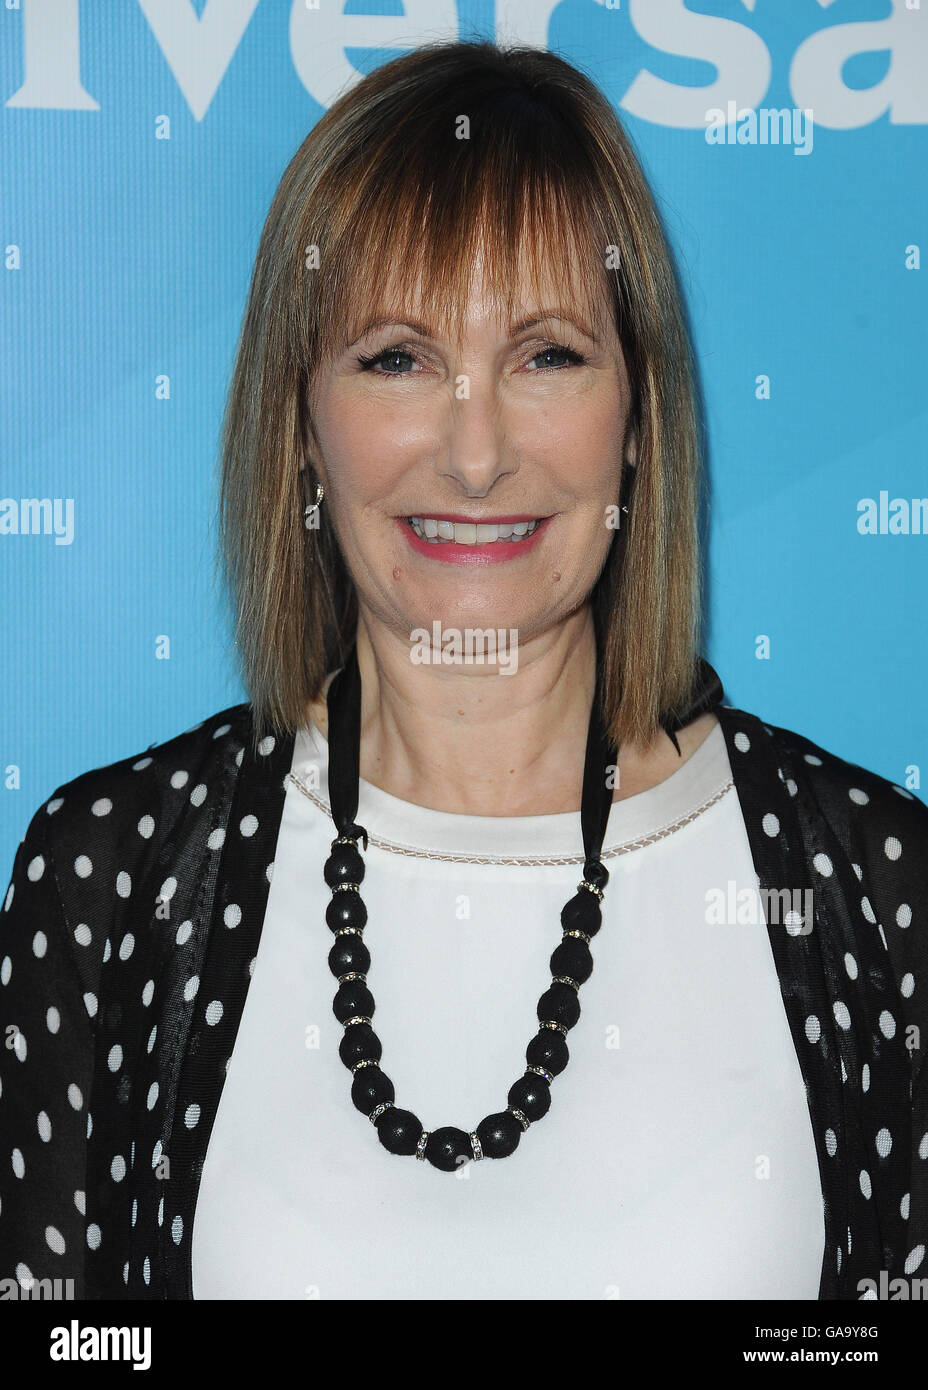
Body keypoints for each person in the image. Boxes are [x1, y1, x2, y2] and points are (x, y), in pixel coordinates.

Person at [1, 39, 925, 1303]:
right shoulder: (114, 874)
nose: (476, 452)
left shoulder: (874, 886)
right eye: (397, 358)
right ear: (302, 424)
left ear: (640, 412)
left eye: (546, 355)